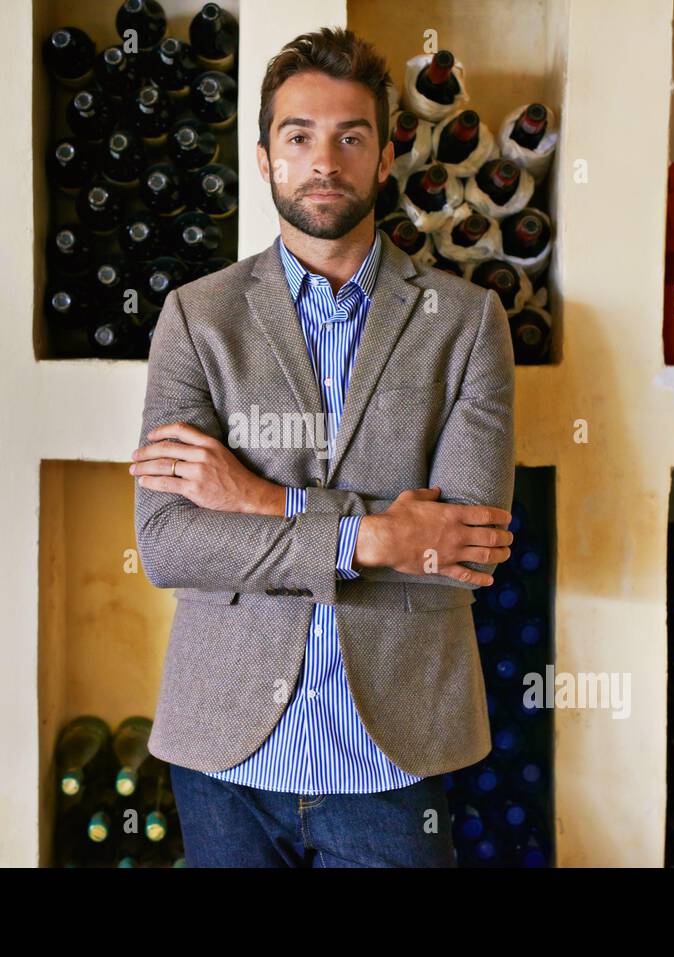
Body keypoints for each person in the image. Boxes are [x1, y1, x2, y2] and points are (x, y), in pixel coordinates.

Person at [130, 27, 515, 867]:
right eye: (298, 136)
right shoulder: (197, 318)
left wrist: (259, 498)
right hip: (225, 749)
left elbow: (466, 547)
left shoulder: (468, 320)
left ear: (385, 157)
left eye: (350, 136)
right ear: (264, 156)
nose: (324, 159)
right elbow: (168, 542)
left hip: (392, 753)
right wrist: (373, 535)